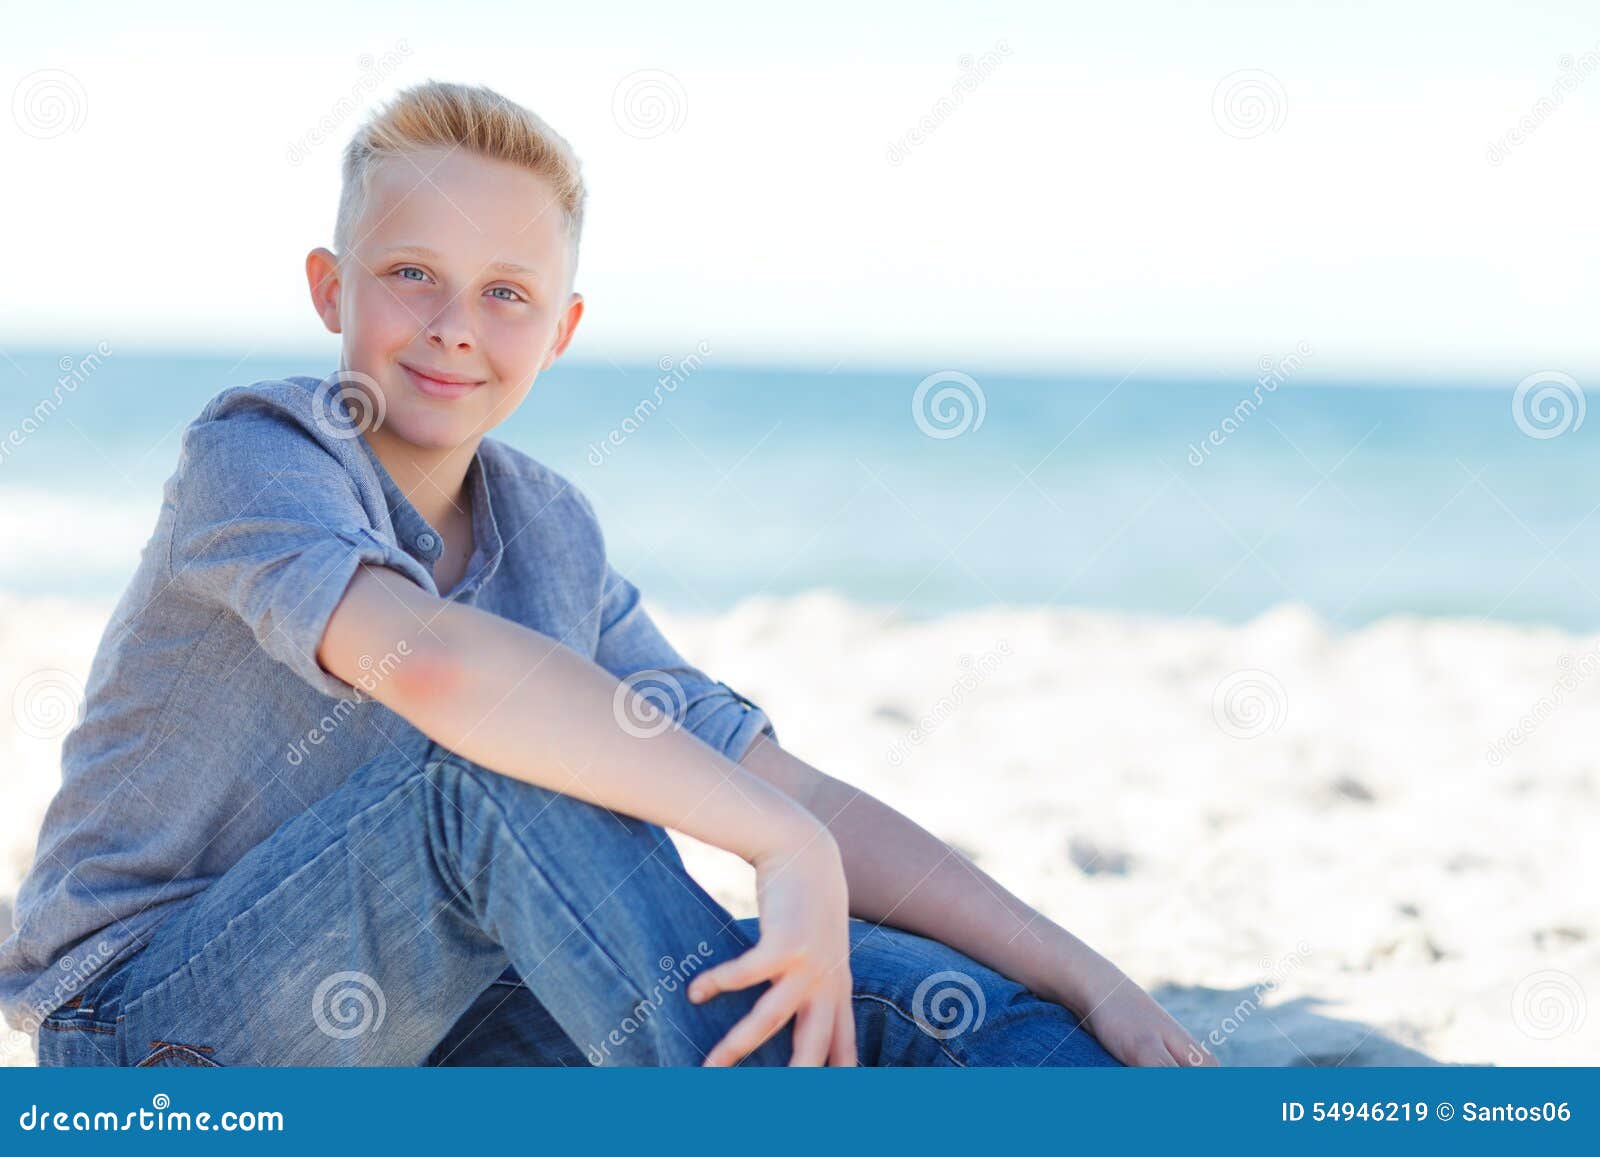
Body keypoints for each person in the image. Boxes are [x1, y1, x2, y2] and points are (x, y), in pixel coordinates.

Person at [1, 80, 1214, 1068]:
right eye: (410, 273)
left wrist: (1087, 971)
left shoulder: (550, 533)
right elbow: (428, 664)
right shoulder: (258, 454)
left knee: (905, 988)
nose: (455, 325)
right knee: (481, 767)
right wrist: (782, 847)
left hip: (438, 1018)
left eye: (506, 293)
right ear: (332, 288)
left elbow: (787, 785)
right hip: (157, 1030)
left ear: (562, 329)